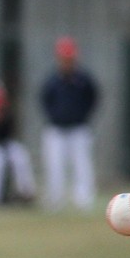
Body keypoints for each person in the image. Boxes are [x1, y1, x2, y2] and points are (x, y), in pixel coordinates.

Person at [40, 35, 99, 211]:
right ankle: (55, 199)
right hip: (56, 129)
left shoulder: (84, 79)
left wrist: (82, 115)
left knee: (82, 164)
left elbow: (93, 98)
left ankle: (84, 199)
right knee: (55, 165)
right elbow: (44, 100)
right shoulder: (52, 81)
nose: (67, 61)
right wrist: (55, 116)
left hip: (79, 128)